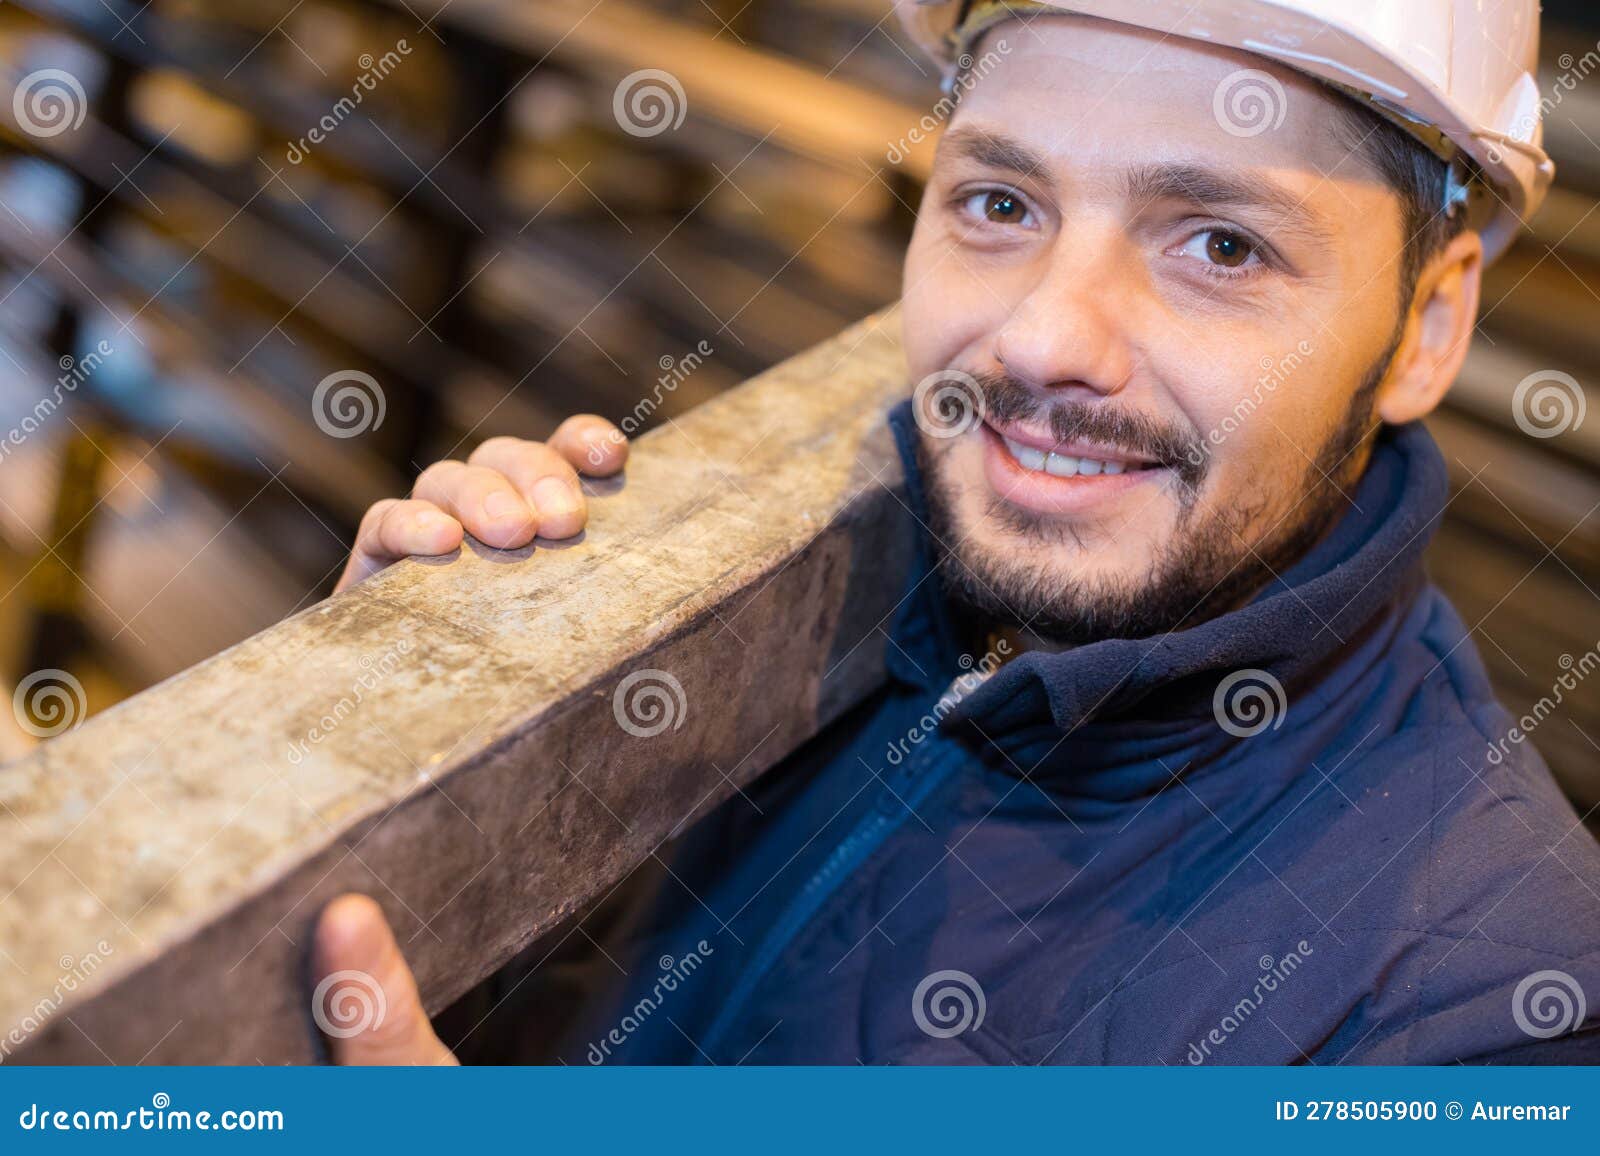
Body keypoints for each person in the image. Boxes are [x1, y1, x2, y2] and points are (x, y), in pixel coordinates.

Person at [308, 0, 1600, 1064]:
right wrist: (412, 776)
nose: (1043, 337)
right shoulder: (804, 601)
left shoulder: (1476, 1017)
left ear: (1426, 329)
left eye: (1219, 242)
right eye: (1000, 204)